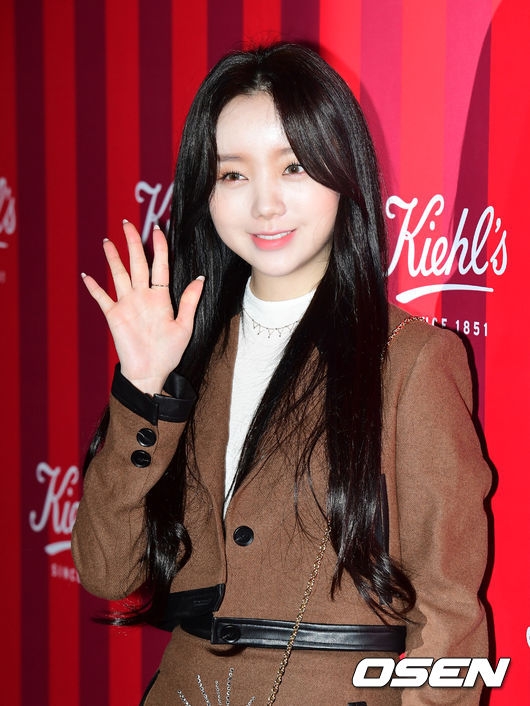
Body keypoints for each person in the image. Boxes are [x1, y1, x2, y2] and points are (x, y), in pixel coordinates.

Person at [72, 43, 491, 705]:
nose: (265, 204)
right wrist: (143, 387)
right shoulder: (189, 354)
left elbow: (450, 619)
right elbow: (106, 572)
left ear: (341, 170)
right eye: (233, 174)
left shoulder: (412, 359)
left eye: (292, 166)